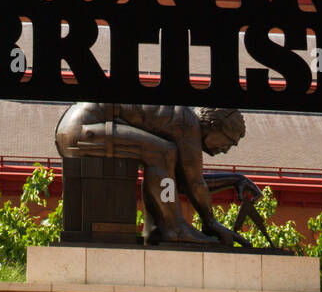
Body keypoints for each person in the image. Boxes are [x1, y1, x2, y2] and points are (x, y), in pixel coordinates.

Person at [55, 102, 245, 245]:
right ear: (213, 125)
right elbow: (194, 184)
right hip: (82, 130)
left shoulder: (181, 119)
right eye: (228, 142)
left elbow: (172, 183)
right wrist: (210, 221)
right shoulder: (187, 123)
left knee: (160, 157)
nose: (226, 150)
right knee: (162, 153)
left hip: (74, 129)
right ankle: (175, 229)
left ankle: (155, 229)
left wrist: (235, 179)